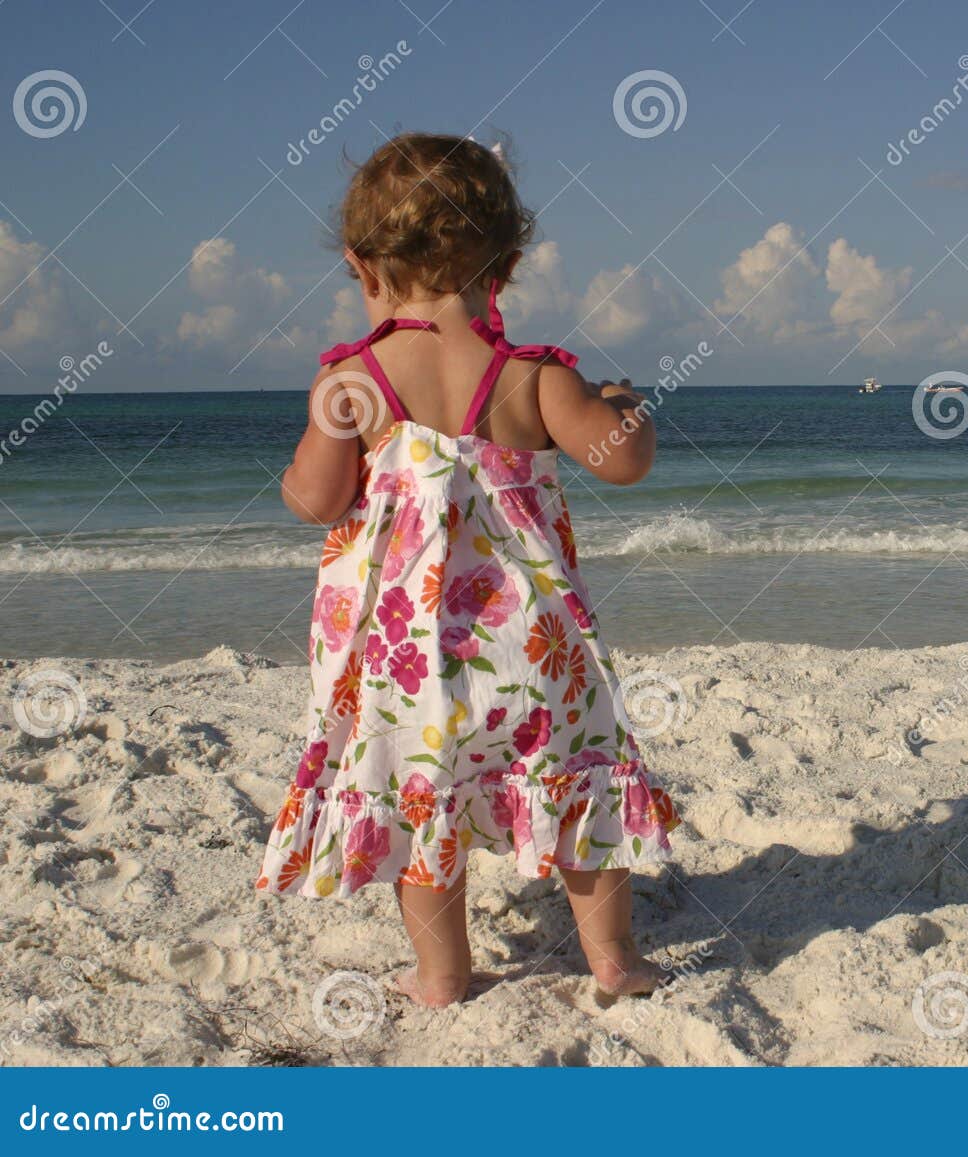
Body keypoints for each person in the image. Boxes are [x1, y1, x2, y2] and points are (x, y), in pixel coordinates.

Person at [255, 133, 678, 1007]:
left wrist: (315, 454)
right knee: (575, 785)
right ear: (509, 262)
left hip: (408, 660)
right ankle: (614, 961)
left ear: (361, 265)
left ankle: (443, 974)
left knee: (424, 803)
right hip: (535, 651)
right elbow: (620, 463)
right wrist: (623, 407)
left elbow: (318, 499)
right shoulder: (533, 376)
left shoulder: (352, 380)